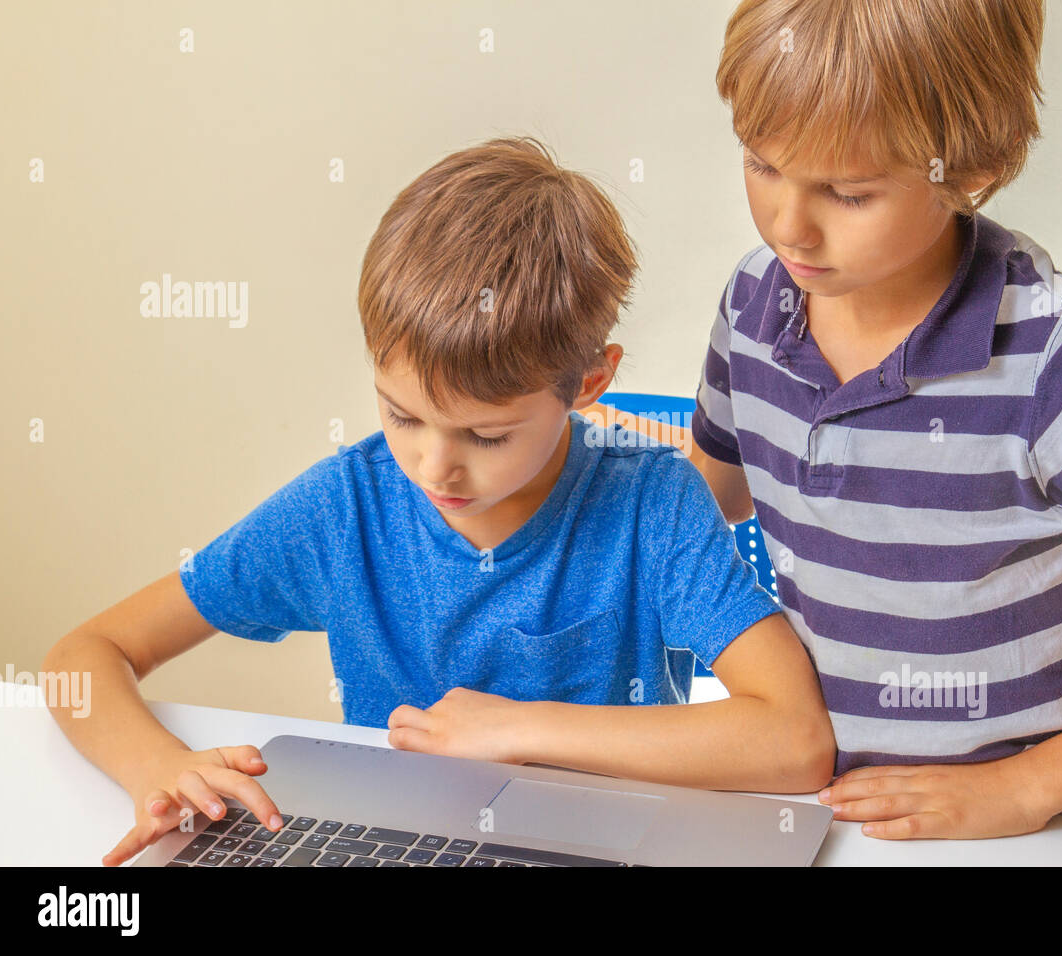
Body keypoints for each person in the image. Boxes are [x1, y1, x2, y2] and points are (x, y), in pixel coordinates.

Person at [588, 0, 1062, 840]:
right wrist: (571, 456)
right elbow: (719, 495)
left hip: (1056, 823)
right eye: (762, 164)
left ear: (973, 169)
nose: (788, 226)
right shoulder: (754, 302)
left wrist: (1029, 786)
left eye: (848, 193)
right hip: (837, 815)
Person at [44, 136, 836, 867]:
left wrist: (520, 730)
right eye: (400, 415)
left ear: (590, 384)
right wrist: (159, 767)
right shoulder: (344, 508)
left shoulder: (651, 505)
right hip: (390, 842)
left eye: (485, 437)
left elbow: (794, 738)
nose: (434, 466)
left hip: (594, 841)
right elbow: (84, 657)